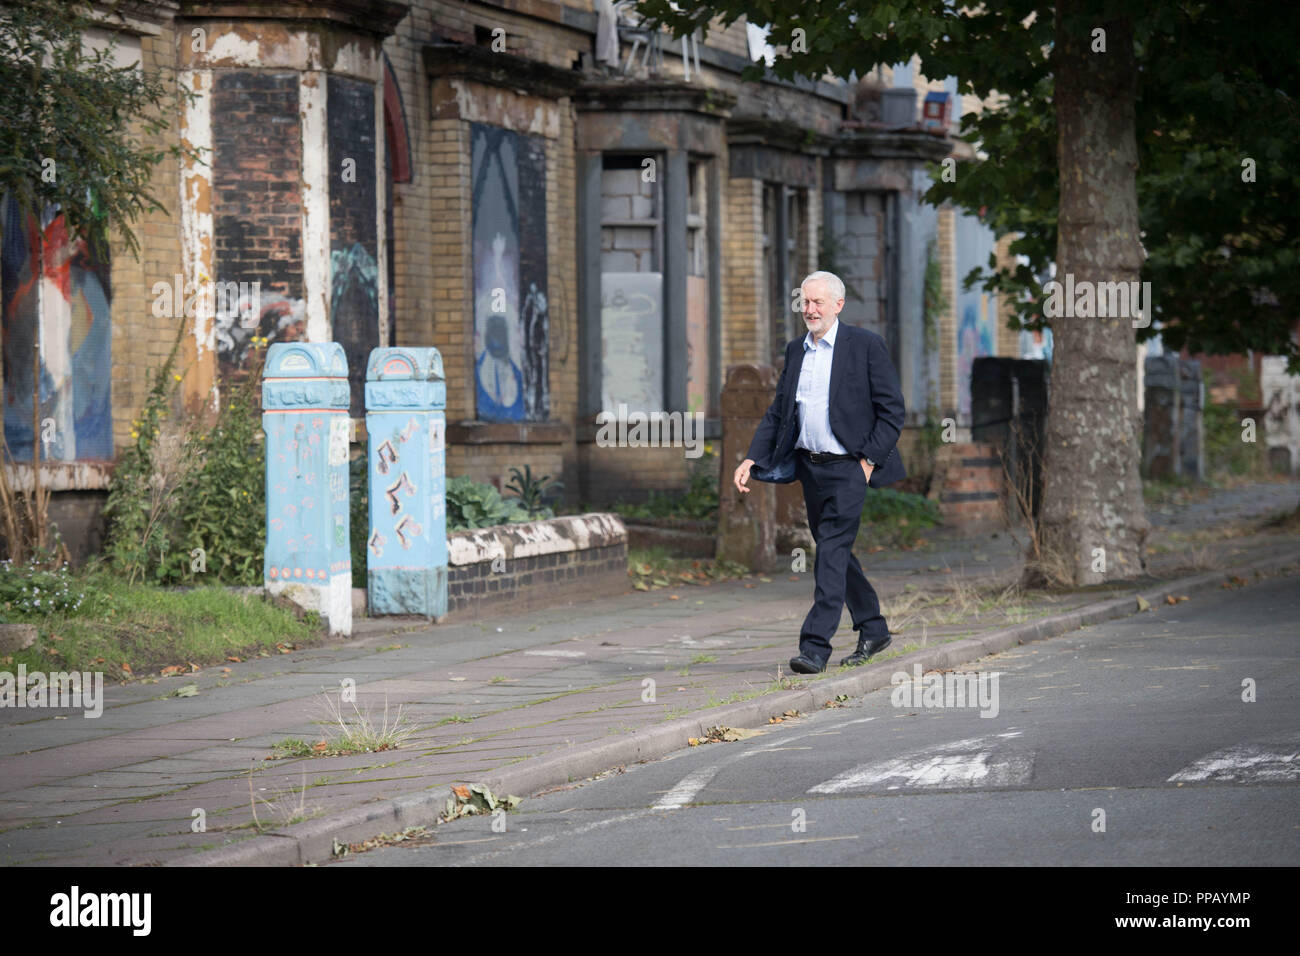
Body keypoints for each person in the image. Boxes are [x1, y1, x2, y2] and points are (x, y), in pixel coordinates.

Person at [733, 270, 906, 674]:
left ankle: (814, 647)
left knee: (828, 552)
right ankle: (874, 628)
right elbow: (778, 413)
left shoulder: (865, 346)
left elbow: (892, 410)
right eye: (805, 303)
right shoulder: (797, 351)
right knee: (837, 553)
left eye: (818, 303)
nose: (809, 310)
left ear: (838, 306)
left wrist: (867, 461)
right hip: (811, 469)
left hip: (850, 467)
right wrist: (750, 459)